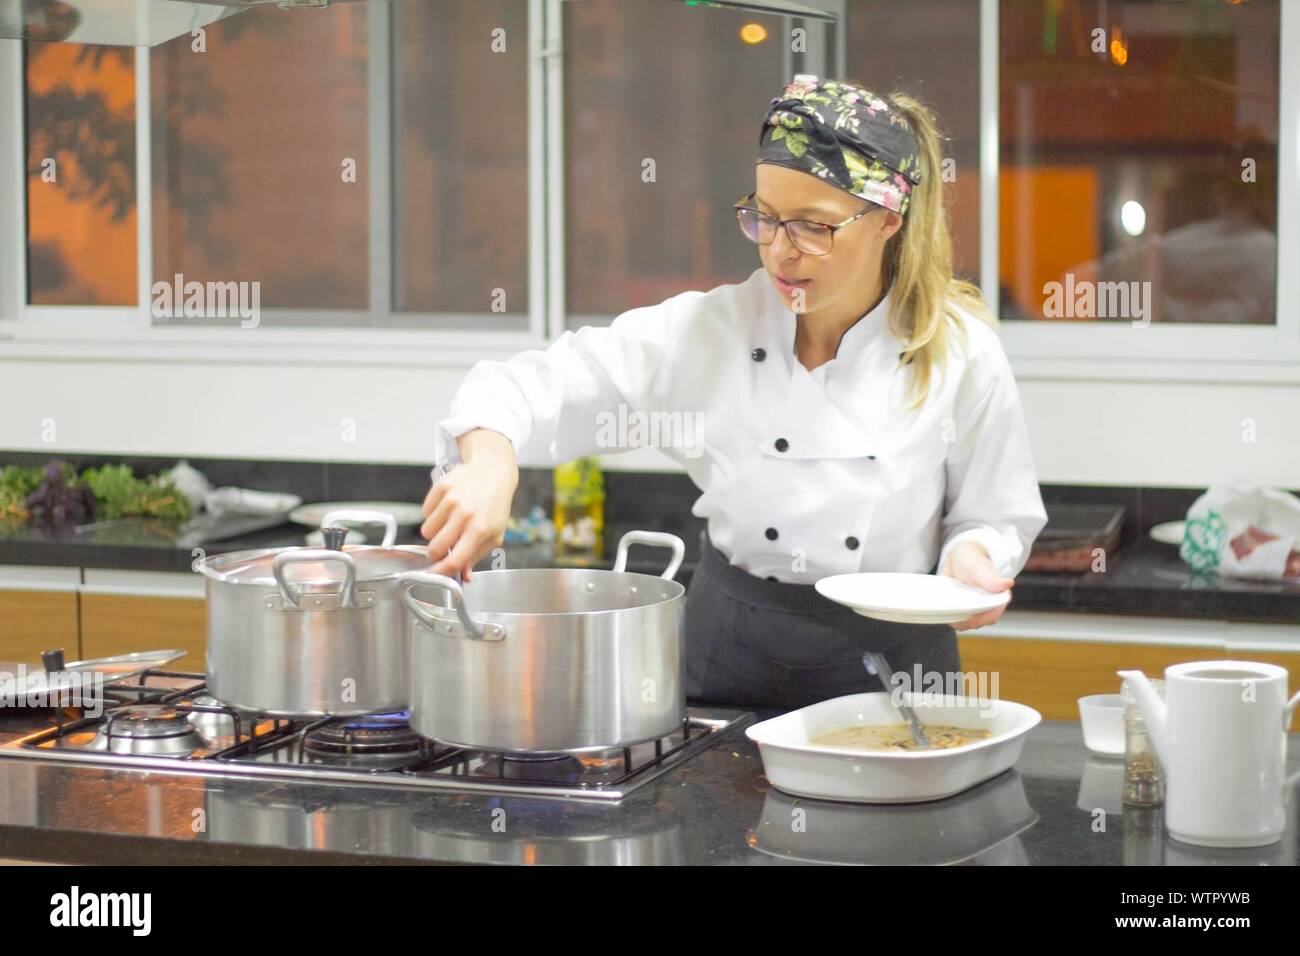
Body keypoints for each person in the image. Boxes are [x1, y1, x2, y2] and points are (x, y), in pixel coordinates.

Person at [422, 74, 1048, 711]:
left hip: (897, 672)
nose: (780, 251)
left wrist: (972, 557)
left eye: (813, 226)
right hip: (727, 662)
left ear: (888, 218)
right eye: (765, 218)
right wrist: (491, 461)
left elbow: (995, 513)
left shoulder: (959, 351)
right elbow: (525, 387)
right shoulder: (708, 332)